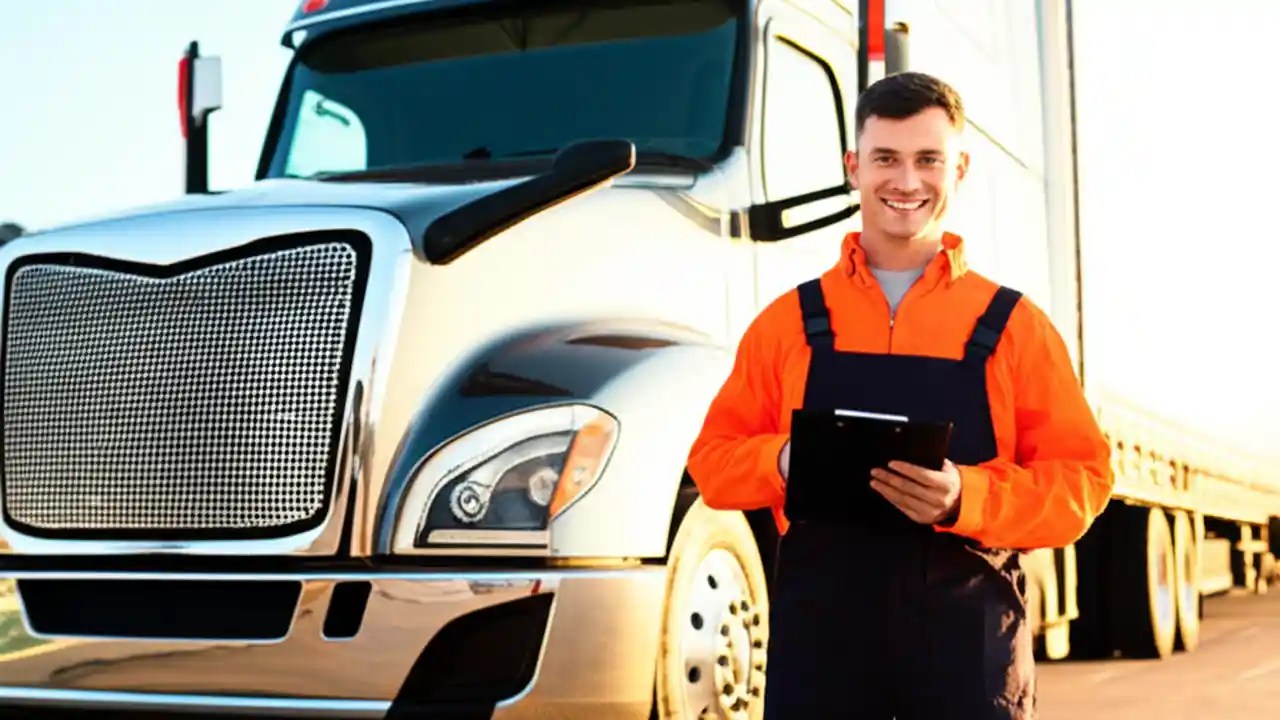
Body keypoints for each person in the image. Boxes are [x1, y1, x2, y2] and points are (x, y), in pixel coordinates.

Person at [685, 72, 1114, 719]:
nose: (907, 181)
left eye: (928, 159)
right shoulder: (789, 323)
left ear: (959, 168)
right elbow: (712, 463)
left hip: (967, 653)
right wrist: (782, 461)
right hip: (824, 650)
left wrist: (965, 496)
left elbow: (1083, 481)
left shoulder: (1011, 327)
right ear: (853, 167)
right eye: (885, 158)